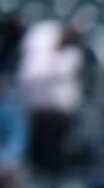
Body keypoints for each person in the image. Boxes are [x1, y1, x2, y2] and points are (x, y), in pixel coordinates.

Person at [17, 21, 86, 175]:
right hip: (40, 111)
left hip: (62, 114)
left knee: (59, 155)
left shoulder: (73, 54)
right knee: (39, 155)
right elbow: (33, 74)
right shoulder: (42, 39)